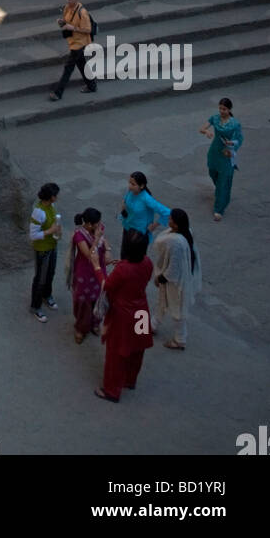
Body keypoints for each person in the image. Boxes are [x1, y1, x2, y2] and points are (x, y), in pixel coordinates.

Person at [92, 228, 154, 402]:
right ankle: (130, 380)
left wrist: (97, 266)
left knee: (116, 353)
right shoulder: (147, 262)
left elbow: (107, 286)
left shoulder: (123, 270)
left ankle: (112, 390)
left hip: (122, 316)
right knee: (138, 348)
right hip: (141, 311)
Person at [152, 209, 201, 349]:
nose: (169, 221)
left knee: (177, 308)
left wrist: (160, 278)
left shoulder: (176, 243)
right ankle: (152, 325)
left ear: (177, 224)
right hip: (174, 279)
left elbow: (173, 268)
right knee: (162, 302)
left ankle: (180, 339)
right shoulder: (184, 234)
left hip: (175, 282)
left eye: (171, 219)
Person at [67, 207, 111, 344]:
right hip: (85, 273)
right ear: (89, 224)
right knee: (84, 302)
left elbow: (105, 240)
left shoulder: (98, 228)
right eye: (97, 223)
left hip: (99, 271)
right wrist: (96, 240)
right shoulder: (79, 235)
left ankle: (95, 322)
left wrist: (108, 250)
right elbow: (89, 255)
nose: (100, 225)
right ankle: (81, 328)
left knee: (98, 297)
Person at [200, 97, 243, 221]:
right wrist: (206, 132)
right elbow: (202, 128)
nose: (221, 111)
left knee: (223, 180)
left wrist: (231, 147)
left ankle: (219, 209)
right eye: (220, 108)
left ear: (229, 109)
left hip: (226, 154)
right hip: (215, 152)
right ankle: (221, 192)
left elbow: (239, 139)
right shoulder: (215, 118)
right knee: (212, 173)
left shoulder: (235, 124)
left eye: (224, 109)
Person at [48, 0, 94, 100]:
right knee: (82, 64)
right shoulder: (67, 8)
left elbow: (88, 30)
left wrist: (72, 27)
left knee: (68, 68)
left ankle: (58, 93)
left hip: (79, 43)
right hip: (73, 41)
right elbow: (66, 21)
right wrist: (61, 23)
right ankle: (92, 85)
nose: (68, 2)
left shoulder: (82, 13)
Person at [29, 182, 62, 322]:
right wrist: (50, 231)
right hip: (42, 249)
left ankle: (47, 295)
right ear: (51, 197)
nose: (57, 197)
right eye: (56, 195)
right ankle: (36, 307)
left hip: (52, 245)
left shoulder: (51, 207)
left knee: (50, 273)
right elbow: (33, 235)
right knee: (40, 278)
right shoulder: (38, 212)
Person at [120, 170, 171, 244]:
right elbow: (125, 199)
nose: (130, 186)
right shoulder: (131, 191)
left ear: (142, 186)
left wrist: (154, 226)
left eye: (133, 184)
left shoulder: (147, 199)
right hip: (127, 227)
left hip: (139, 234)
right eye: (129, 183)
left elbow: (167, 212)